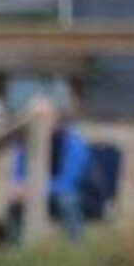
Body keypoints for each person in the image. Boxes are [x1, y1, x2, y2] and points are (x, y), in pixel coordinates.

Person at [7, 95, 91, 242]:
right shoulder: (23, 144)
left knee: (67, 201)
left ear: (54, 118)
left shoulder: (72, 142)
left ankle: (78, 248)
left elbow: (68, 183)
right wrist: (19, 189)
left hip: (76, 195)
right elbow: (18, 175)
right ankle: (16, 252)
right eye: (32, 118)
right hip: (38, 193)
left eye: (42, 118)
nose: (37, 123)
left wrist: (34, 190)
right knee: (13, 204)